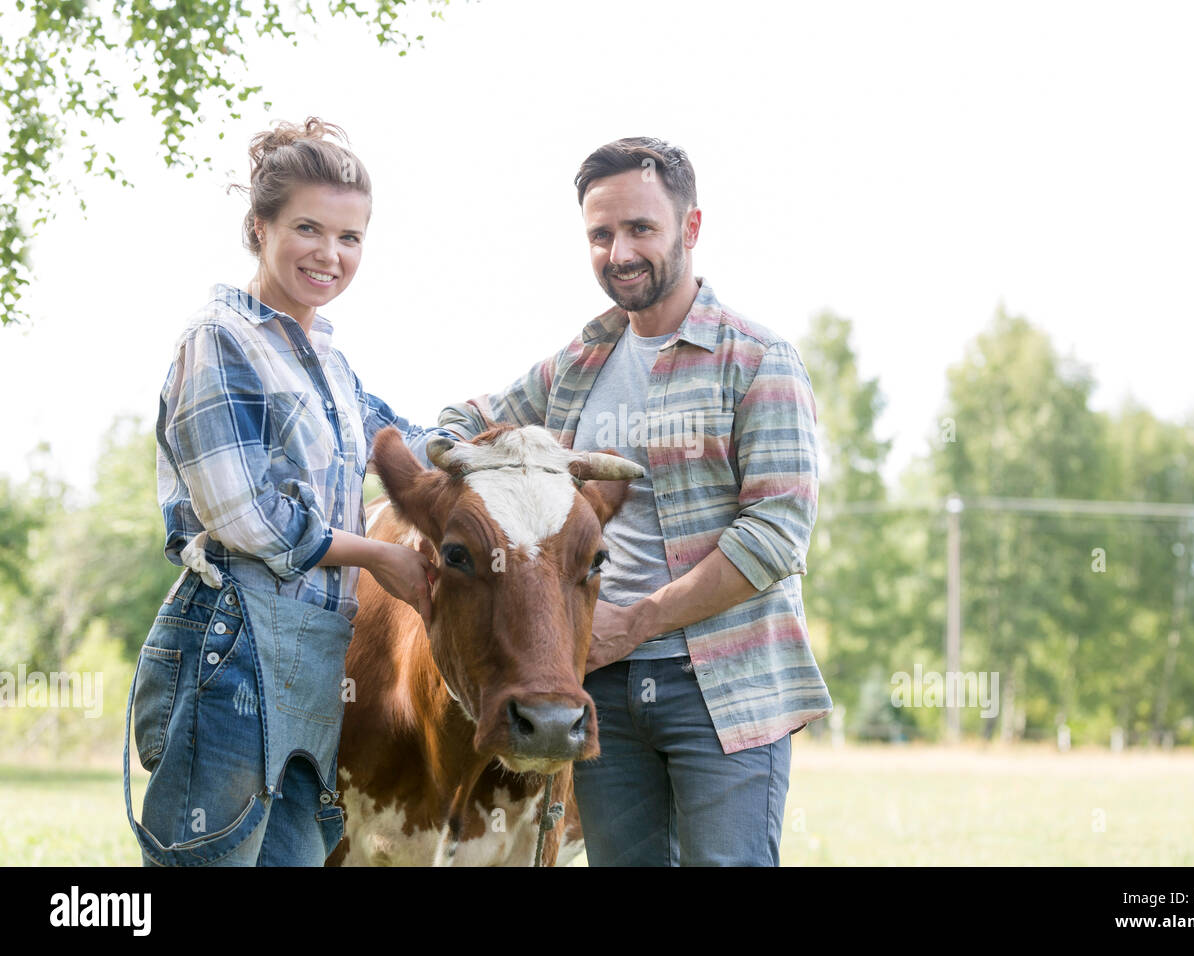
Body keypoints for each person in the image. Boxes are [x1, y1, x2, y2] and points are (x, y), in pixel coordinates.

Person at [438, 137, 833, 866]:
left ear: (690, 228)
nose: (618, 251)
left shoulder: (758, 360)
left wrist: (639, 620)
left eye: (640, 229)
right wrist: (481, 466)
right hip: (599, 686)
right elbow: (456, 424)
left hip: (723, 682)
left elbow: (776, 533)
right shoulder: (576, 367)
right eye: (600, 234)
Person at [123, 117, 453, 866]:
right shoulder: (218, 339)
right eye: (308, 228)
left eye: (350, 237)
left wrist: (507, 449)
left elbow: (395, 436)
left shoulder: (326, 358)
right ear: (258, 226)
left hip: (313, 656)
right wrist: (378, 556)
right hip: (230, 643)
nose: (329, 255)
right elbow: (247, 518)